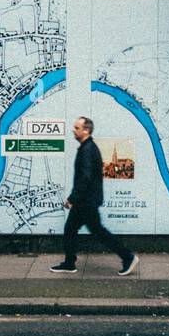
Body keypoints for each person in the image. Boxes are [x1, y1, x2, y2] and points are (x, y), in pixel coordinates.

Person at [50, 117, 138, 276]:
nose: (73, 130)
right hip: (87, 200)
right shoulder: (87, 147)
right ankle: (70, 263)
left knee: (96, 232)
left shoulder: (88, 149)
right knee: (74, 229)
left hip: (86, 201)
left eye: (77, 127)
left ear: (86, 130)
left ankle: (128, 257)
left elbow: (85, 177)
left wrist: (72, 198)